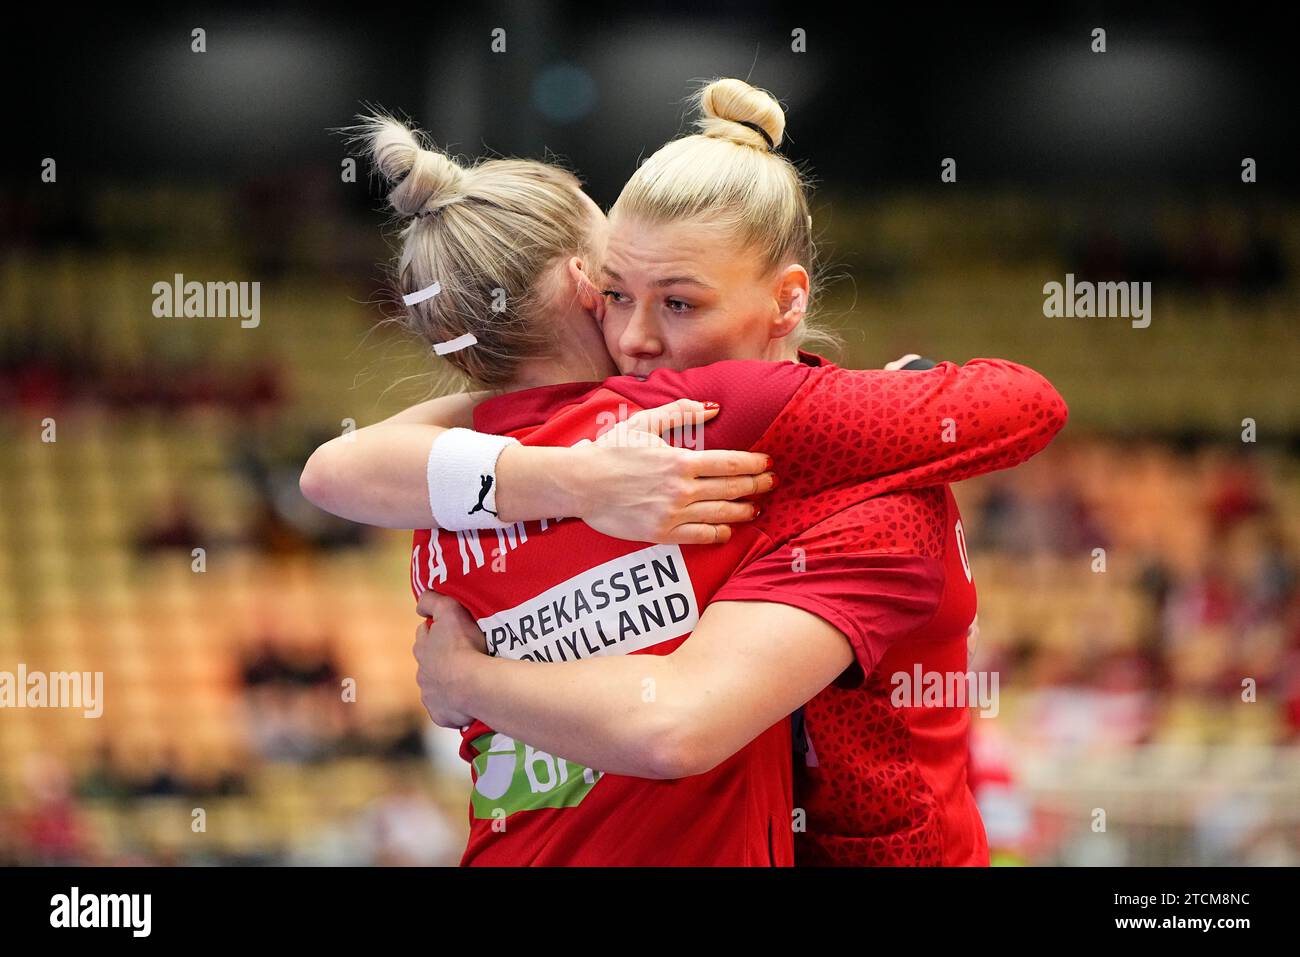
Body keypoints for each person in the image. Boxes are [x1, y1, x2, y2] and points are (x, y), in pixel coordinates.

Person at [303, 79, 1068, 865]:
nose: (635, 338)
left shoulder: (452, 487)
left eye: (678, 304)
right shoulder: (658, 421)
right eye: (617, 293)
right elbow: (1025, 400)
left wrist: (468, 680)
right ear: (581, 284)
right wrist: (578, 481)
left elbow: (333, 469)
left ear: (786, 300)